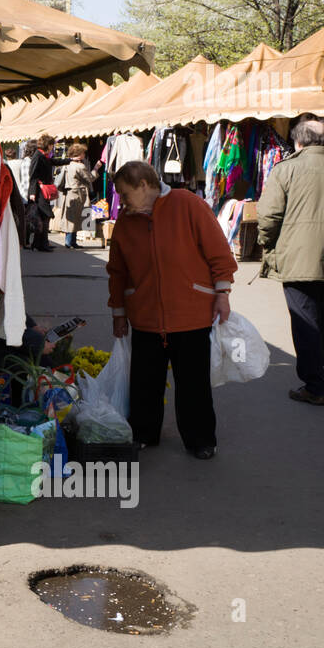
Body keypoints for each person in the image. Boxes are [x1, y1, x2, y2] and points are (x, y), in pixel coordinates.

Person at [107, 160, 237, 459]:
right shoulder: (127, 221)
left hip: (190, 313)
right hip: (146, 314)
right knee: (144, 382)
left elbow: (218, 252)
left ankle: (201, 440)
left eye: (125, 194)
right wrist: (118, 313)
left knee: (193, 383)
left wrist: (222, 293)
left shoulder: (188, 204)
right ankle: (143, 433)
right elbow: (117, 271)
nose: (122, 202)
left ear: (143, 185)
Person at [256, 118, 324, 406]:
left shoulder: (285, 170)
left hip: (296, 258)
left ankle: (314, 384)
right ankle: (317, 374)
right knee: (322, 320)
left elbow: (268, 216)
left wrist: (268, 243)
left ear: (298, 141)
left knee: (305, 322)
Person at [54, 142, 95, 249]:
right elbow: (90, 178)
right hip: (78, 194)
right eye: (83, 153)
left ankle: (70, 241)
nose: (84, 155)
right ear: (79, 154)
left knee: (70, 218)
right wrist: (96, 169)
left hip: (68, 193)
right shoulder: (80, 166)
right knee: (76, 218)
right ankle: (70, 242)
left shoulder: (67, 165)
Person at [26, 134, 57, 251]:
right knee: (45, 216)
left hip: (42, 192)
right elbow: (32, 175)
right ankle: (42, 244)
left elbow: (53, 162)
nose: (53, 147)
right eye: (52, 145)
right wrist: (32, 192)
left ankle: (39, 243)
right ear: (48, 145)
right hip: (39, 192)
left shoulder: (44, 156)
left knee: (43, 217)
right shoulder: (38, 156)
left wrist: (69, 160)